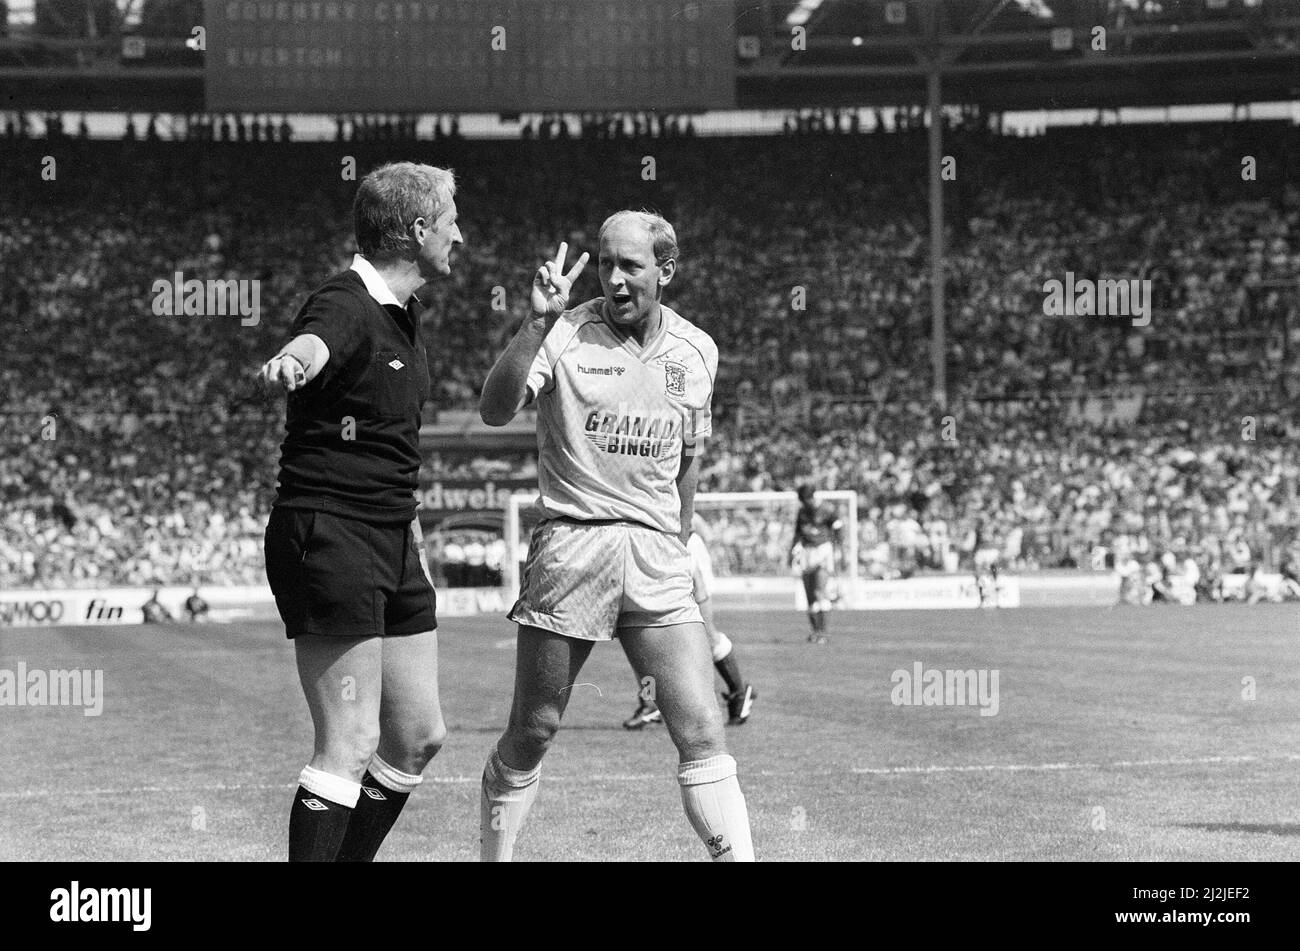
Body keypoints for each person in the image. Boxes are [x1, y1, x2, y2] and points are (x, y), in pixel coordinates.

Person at [477, 210, 754, 862]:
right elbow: (495, 409)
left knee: (702, 726)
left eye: (630, 265)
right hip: (574, 544)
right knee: (535, 727)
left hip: (657, 551)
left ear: (667, 268)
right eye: (605, 263)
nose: (615, 279)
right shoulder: (565, 331)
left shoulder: (698, 351)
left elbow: (689, 458)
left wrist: (681, 541)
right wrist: (535, 322)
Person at [259, 162, 461, 862]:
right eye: (451, 221)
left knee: (417, 733)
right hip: (330, 530)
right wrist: (295, 359)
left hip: (391, 535)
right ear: (415, 229)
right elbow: (316, 338)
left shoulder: (404, 312)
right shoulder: (345, 302)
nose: (459, 236)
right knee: (348, 741)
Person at [625, 513, 755, 728]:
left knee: (706, 635)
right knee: (641, 637)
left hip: (680, 545)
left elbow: (689, 513)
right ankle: (650, 702)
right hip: (647, 545)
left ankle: (739, 692)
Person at [789, 485, 843, 644]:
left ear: (811, 497)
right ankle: (815, 631)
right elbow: (797, 533)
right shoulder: (802, 512)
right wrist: (790, 552)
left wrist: (839, 548)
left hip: (823, 551)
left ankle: (823, 633)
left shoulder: (826, 509)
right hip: (807, 552)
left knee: (820, 591)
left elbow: (838, 527)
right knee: (810, 595)